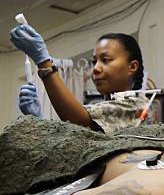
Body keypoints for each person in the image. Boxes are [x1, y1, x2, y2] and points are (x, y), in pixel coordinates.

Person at [9, 26, 154, 133]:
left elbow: (79, 121)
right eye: (94, 62)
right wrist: (38, 120)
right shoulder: (102, 109)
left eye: (106, 60)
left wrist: (44, 63)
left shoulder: (139, 106)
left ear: (132, 67)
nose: (96, 68)